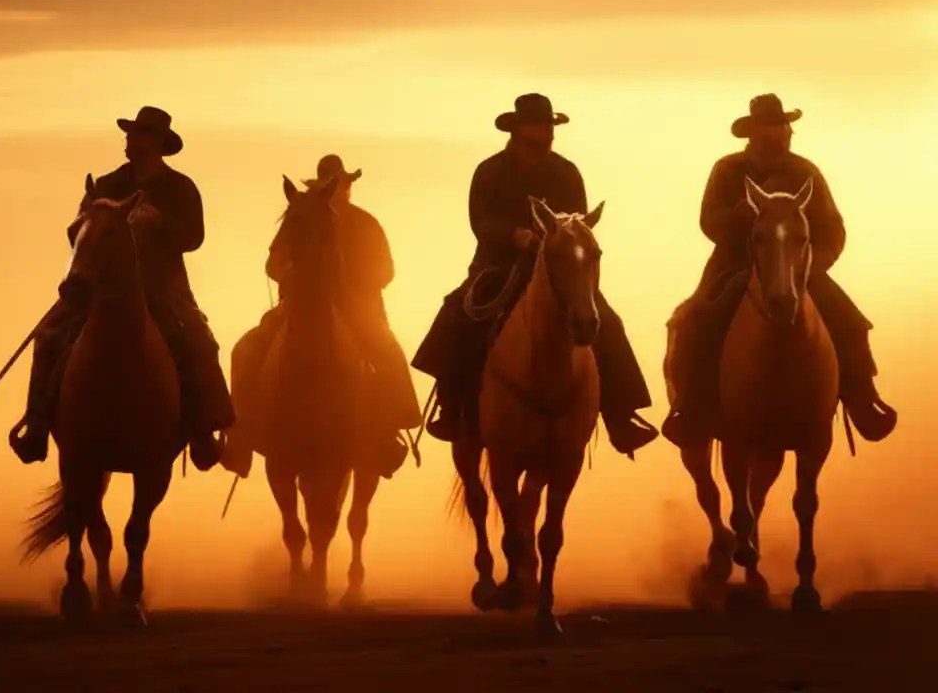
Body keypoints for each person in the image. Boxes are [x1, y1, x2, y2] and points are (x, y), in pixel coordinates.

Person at [412, 93, 658, 457]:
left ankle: (621, 415)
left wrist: (557, 240)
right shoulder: (489, 171)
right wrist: (515, 236)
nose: (547, 133)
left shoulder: (566, 171)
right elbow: (480, 221)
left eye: (549, 126)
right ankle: (452, 407)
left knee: (606, 321)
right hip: (497, 265)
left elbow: (577, 223)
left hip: (558, 268)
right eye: (540, 126)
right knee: (457, 314)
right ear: (519, 129)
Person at [661, 93, 896, 447]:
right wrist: (737, 217)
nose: (779, 132)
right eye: (771, 125)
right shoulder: (727, 169)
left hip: (799, 269)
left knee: (850, 321)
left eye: (782, 125)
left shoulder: (805, 172)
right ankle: (690, 404)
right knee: (697, 320)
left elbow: (832, 229)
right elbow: (708, 220)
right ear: (754, 132)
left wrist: (810, 265)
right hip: (733, 265)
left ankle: (863, 397)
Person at [10, 106, 234, 469]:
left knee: (197, 338)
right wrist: (88, 221)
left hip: (163, 286)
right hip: (100, 285)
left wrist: (159, 223)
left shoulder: (180, 188)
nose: (129, 140)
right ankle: (36, 424)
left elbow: (194, 237)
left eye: (138, 134)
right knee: (49, 335)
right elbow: (79, 231)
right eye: (130, 134)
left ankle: (203, 427)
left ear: (156, 142)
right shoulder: (106, 185)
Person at [227, 155, 422, 476]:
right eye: (333, 185)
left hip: (357, 307)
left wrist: (352, 286)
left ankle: (391, 429)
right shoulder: (300, 218)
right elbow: (273, 263)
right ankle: (240, 435)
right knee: (246, 350)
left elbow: (385, 270)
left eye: (342, 185)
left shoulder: (366, 223)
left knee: (388, 351)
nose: (339, 190)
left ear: (347, 187)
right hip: (298, 304)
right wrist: (292, 277)